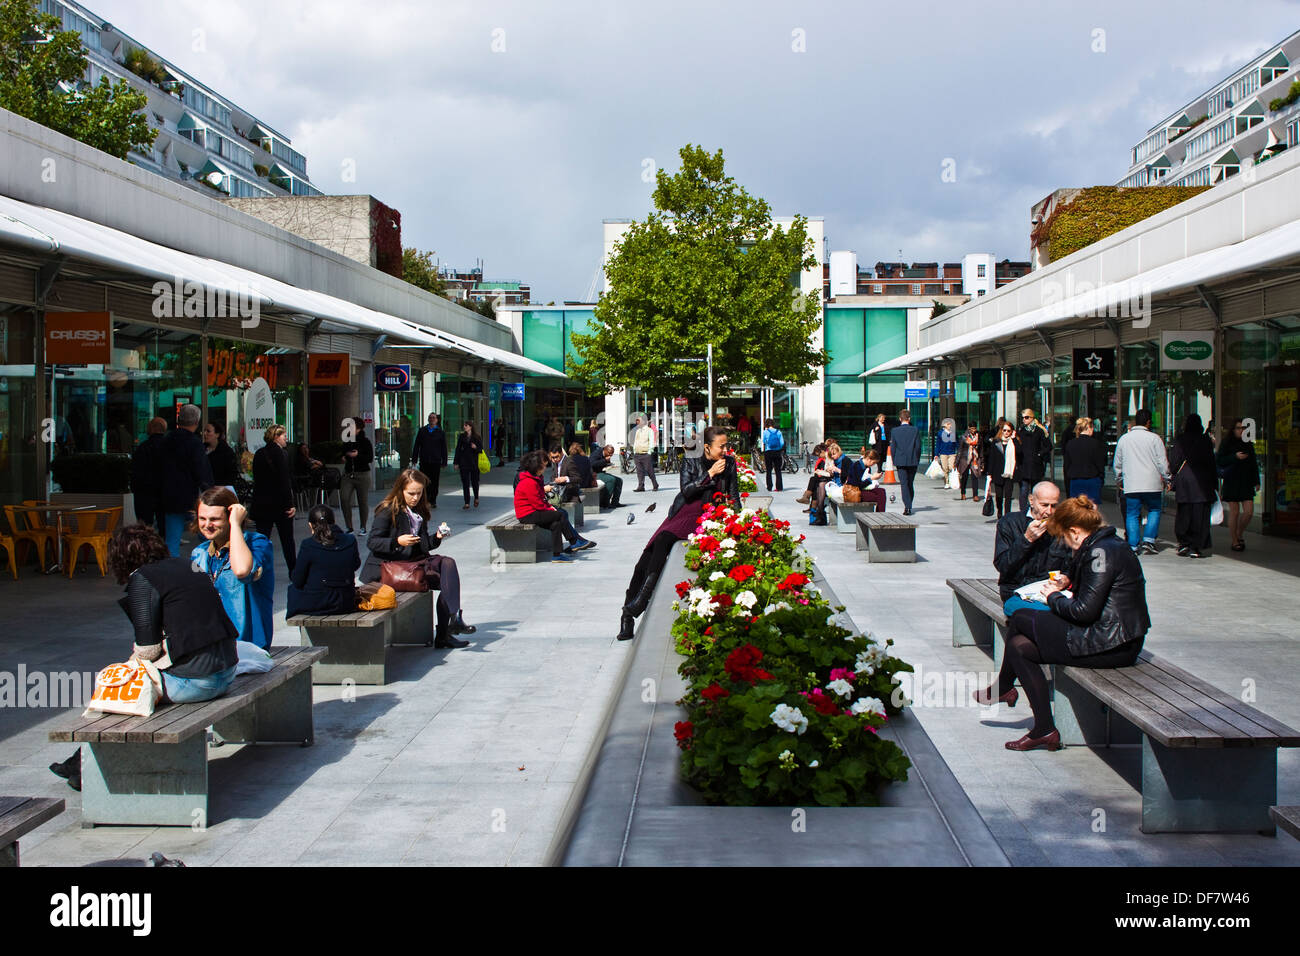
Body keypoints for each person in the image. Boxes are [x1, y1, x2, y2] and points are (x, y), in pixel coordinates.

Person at [47, 521, 243, 792]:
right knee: (127, 684)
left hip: (198, 682)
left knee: (117, 691)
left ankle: (83, 768)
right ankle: (78, 765)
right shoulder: (187, 565)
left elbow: (148, 649)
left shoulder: (143, 578)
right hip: (227, 670)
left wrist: (133, 662)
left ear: (120, 557)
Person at [974, 496, 1150, 752]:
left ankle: (1006, 689)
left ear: (1076, 532)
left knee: (1022, 617)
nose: (1067, 545)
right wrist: (1067, 583)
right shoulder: (1103, 545)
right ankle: (1043, 728)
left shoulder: (1100, 553)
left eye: (1066, 538)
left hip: (1112, 643)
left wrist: (1052, 596)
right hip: (1107, 635)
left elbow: (1084, 612)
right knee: (1019, 646)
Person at [618, 426, 739, 642]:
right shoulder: (691, 460)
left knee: (662, 543)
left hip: (711, 513)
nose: (725, 450)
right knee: (654, 548)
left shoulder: (730, 463)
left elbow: (734, 495)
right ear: (707, 447)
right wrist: (710, 474)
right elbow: (686, 490)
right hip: (687, 510)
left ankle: (635, 608)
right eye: (721, 446)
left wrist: (737, 522)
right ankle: (631, 610)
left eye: (726, 446)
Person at [361, 469, 475, 648]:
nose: (415, 497)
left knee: (448, 567)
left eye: (419, 493)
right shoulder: (387, 510)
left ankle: (452, 622)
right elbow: (373, 542)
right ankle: (450, 626)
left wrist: (436, 537)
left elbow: (422, 545)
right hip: (392, 569)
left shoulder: (418, 511)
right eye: (411, 493)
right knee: (447, 577)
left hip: (413, 564)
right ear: (401, 490)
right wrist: (397, 541)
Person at [191, 487, 275, 649]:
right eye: (202, 518)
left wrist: (235, 525)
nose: (207, 525)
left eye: (214, 519)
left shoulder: (258, 544)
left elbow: (242, 571)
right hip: (212, 645)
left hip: (249, 646)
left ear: (230, 518)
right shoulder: (199, 553)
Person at [994, 481, 1073, 613]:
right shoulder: (1009, 523)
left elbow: (1071, 564)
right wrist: (1027, 539)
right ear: (1031, 500)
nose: (1049, 511)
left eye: (1054, 506)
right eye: (1044, 505)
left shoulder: (1063, 528)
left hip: (1050, 591)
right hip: (1017, 591)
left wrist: (1066, 578)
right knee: (1043, 614)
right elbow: (1002, 565)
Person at [514, 451, 593, 561]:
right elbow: (537, 503)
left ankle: (557, 555)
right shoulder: (529, 482)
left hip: (533, 511)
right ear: (537, 467)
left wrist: (549, 507)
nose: (545, 468)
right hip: (527, 514)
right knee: (559, 514)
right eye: (543, 466)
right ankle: (574, 541)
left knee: (555, 524)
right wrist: (550, 508)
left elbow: (541, 499)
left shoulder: (535, 479)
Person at [1112, 408, 1170, 555]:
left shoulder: (1124, 439)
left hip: (1131, 483)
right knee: (1154, 510)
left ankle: (1133, 544)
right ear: (1148, 422)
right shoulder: (1155, 439)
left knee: (1132, 513)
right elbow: (1162, 463)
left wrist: (1119, 479)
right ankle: (1149, 540)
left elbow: (1117, 463)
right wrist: (1167, 478)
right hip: (1152, 483)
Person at [159, 404, 214, 557]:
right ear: (197, 421)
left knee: (172, 539)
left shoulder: (167, 440)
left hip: (170, 496)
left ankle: (171, 572)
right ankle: (206, 568)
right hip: (191, 496)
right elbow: (201, 471)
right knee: (205, 535)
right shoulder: (195, 443)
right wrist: (209, 491)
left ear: (178, 419)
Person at [287, 505, 361, 617]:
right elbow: (356, 564)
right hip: (346, 601)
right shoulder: (350, 540)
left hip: (319, 603)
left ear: (311, 525)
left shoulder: (308, 544)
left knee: (293, 590)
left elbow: (297, 580)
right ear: (334, 521)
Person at [1169, 414, 1217, 559]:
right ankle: (1196, 546)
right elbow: (1211, 463)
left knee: (1184, 513)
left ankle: (1184, 542)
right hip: (1202, 483)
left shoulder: (1180, 440)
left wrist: (1171, 476)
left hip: (1185, 482)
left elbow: (1175, 462)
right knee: (1200, 515)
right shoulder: (1205, 440)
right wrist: (1215, 485)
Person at [251, 424, 297, 573]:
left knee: (261, 540)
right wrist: (290, 504)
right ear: (276, 437)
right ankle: (293, 571)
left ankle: (257, 569)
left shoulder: (259, 453)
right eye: (284, 436)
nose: (286, 439)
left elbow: (256, 478)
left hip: (262, 503)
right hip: (280, 504)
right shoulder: (282, 454)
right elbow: (285, 480)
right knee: (287, 540)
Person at [1217, 418, 1260, 553]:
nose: (1240, 430)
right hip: (1232, 480)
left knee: (1248, 512)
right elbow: (1219, 460)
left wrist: (1256, 481)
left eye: (1243, 428)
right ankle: (1235, 540)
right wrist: (1234, 457)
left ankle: (1239, 532)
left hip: (1246, 482)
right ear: (1233, 429)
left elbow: (1253, 463)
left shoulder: (1248, 444)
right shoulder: (1227, 443)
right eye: (1238, 428)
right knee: (1234, 512)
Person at [131, 417, 169, 534]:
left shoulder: (143, 448)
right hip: (164, 491)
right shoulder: (169, 447)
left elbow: (136, 471)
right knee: (165, 527)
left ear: (152, 429)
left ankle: (145, 549)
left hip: (144, 492)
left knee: (144, 527)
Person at [340, 417, 375, 536]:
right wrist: (344, 456)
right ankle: (349, 527)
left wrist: (358, 455)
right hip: (348, 474)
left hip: (363, 474)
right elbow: (343, 452)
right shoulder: (347, 440)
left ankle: (363, 527)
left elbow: (369, 458)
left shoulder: (365, 441)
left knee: (362, 502)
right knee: (344, 498)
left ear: (359, 428)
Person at [1063, 416, 1107, 505]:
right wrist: (1101, 478)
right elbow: (1100, 463)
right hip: (1092, 479)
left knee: (1077, 508)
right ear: (1090, 428)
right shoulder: (1096, 444)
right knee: (1092, 508)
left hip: (1076, 480)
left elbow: (1067, 464)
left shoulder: (1071, 444)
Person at [1016, 408, 1053, 513]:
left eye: (1026, 417)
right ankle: (1023, 511)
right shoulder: (1021, 430)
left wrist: (1039, 454)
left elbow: (1048, 446)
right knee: (1023, 490)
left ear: (1032, 418)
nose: (1024, 420)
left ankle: (1034, 510)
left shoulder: (1039, 430)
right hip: (1024, 464)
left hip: (1036, 465)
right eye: (1023, 418)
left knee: (1035, 490)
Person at [410, 413, 449, 507]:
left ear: (437, 420)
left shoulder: (440, 432)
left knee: (434, 481)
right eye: (430, 418)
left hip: (435, 461)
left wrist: (444, 461)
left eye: (434, 418)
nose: (432, 419)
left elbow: (444, 448)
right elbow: (417, 445)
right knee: (424, 481)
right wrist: (414, 459)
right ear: (428, 419)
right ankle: (425, 499)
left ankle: (433, 500)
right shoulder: (422, 431)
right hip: (424, 460)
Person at [889, 408, 921, 516]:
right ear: (909, 418)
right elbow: (918, 447)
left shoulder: (894, 431)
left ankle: (907, 506)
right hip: (913, 460)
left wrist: (894, 459)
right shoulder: (915, 430)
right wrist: (917, 458)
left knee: (904, 484)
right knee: (910, 483)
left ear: (900, 419)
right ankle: (909, 504)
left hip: (900, 460)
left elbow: (893, 448)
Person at [985, 420, 1019, 518]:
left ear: (1012, 431)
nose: (1006, 433)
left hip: (1009, 473)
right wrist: (989, 473)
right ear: (1001, 431)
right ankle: (1000, 512)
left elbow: (1020, 453)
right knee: (999, 496)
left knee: (1008, 496)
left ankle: (1007, 515)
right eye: (1004, 430)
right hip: (998, 472)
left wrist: (1015, 439)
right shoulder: (996, 442)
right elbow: (992, 458)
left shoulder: (1014, 442)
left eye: (1009, 431)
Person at [814, 440, 850, 524]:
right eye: (831, 455)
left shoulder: (845, 460)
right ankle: (820, 513)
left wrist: (837, 470)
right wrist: (829, 471)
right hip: (835, 483)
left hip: (843, 485)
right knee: (820, 484)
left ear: (839, 451)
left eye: (834, 454)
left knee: (820, 485)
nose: (833, 456)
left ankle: (820, 514)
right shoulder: (835, 461)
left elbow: (848, 474)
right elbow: (833, 475)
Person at [453, 421, 483, 509]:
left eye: (466, 425)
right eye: (464, 425)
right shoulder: (462, 436)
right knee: (465, 483)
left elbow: (481, 449)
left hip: (474, 463)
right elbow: (458, 449)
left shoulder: (477, 437)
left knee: (474, 482)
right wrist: (456, 462)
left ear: (470, 427)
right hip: (464, 462)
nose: (464, 427)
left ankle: (476, 497)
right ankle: (467, 502)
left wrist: (475, 447)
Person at [203, 420, 239, 490]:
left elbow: (232, 474)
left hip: (219, 489)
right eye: (204, 431)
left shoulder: (226, 452)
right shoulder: (201, 449)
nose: (205, 434)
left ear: (217, 434)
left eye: (208, 431)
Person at [794, 442, 830, 507]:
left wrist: (820, 472)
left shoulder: (827, 459)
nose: (818, 457)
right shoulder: (822, 459)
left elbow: (829, 472)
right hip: (824, 478)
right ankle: (810, 504)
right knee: (814, 484)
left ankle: (808, 500)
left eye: (818, 455)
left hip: (828, 479)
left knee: (814, 481)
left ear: (822, 452)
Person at [955, 423, 983, 501]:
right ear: (968, 428)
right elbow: (960, 450)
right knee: (964, 477)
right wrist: (956, 462)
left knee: (975, 476)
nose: (973, 430)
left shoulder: (979, 437)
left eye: (974, 428)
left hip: (975, 459)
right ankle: (963, 493)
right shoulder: (964, 437)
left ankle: (975, 495)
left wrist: (982, 461)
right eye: (972, 428)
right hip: (965, 459)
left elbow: (981, 450)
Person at [631, 414, 659, 492]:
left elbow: (651, 441)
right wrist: (634, 450)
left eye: (640, 420)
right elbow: (635, 441)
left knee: (649, 470)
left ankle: (655, 484)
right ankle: (641, 486)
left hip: (645, 453)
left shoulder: (649, 430)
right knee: (639, 471)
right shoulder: (637, 430)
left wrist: (650, 451)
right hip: (637, 453)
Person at [760, 418, 785, 492]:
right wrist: (778, 448)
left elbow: (764, 441)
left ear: (766, 424)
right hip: (777, 452)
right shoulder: (778, 432)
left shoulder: (765, 432)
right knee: (778, 470)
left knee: (768, 470)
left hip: (768, 452)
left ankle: (769, 487)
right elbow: (782, 443)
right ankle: (779, 487)